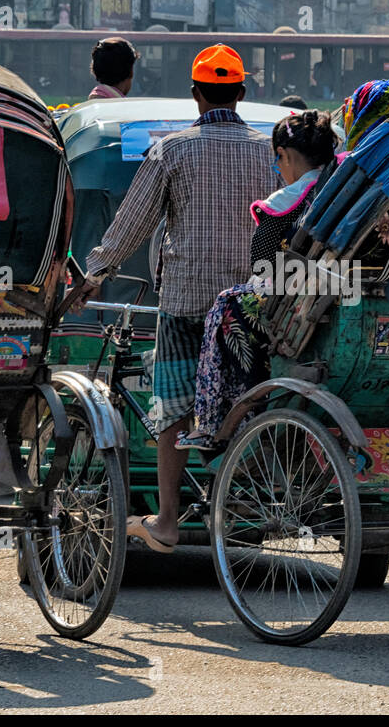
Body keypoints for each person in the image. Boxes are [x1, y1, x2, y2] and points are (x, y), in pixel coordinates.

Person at [73, 44, 278, 552]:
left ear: (197, 96)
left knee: (174, 409)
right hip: (250, 307)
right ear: (242, 93)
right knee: (244, 404)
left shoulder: (173, 150)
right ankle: (240, 505)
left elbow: (131, 225)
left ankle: (167, 521)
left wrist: (95, 273)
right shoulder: (269, 151)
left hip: (186, 304)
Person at [176, 110, 338, 450]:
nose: (277, 170)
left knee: (228, 304)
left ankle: (213, 421)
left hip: (300, 308)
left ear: (284, 155)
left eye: (277, 161)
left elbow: (261, 267)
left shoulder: (286, 202)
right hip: (342, 294)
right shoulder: (341, 190)